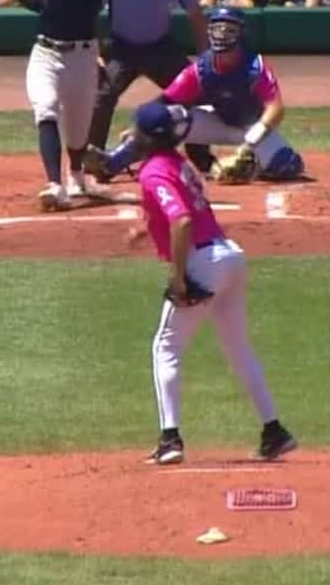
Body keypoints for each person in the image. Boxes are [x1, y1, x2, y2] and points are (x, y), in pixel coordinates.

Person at [122, 98, 298, 466]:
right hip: (230, 257)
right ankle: (274, 431)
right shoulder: (178, 163)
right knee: (238, 349)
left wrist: (179, 277)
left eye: (137, 129)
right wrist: (145, 227)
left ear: (150, 137)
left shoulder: (153, 171)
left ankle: (170, 440)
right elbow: (183, 209)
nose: (131, 133)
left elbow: (182, 220)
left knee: (166, 346)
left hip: (204, 261)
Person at [0, 0, 115, 210]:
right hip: (46, 52)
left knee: (78, 129)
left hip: (81, 56)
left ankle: (76, 176)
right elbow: (45, 5)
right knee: (45, 109)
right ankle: (54, 184)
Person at [90, 7, 308, 183]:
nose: (222, 34)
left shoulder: (254, 66)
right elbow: (166, 101)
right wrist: (138, 129)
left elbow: (276, 108)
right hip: (220, 122)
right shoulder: (201, 68)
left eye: (229, 29)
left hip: (254, 128)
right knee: (170, 118)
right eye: (217, 29)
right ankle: (112, 162)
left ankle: (250, 168)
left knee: (288, 166)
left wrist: (250, 144)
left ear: (241, 34)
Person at [83, 0, 213, 179]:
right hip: (122, 47)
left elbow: (196, 17)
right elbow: (91, 14)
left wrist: (204, 57)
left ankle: (200, 155)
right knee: (102, 95)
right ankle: (93, 156)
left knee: (194, 91)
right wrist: (95, 54)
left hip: (160, 47)